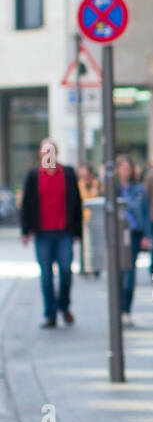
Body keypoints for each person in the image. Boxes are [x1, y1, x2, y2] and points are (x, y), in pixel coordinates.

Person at [20, 140, 82, 328]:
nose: (48, 155)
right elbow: (26, 205)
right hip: (43, 234)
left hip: (64, 232)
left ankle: (64, 306)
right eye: (45, 151)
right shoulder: (33, 176)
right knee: (46, 276)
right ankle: (50, 314)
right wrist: (25, 231)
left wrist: (78, 231)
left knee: (65, 271)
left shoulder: (68, 173)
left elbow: (77, 202)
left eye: (52, 151)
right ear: (40, 154)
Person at [116, 154, 150, 327]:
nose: (125, 171)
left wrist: (146, 235)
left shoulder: (139, 189)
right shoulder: (112, 188)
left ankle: (126, 309)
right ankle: (117, 309)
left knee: (129, 274)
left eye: (128, 168)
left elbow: (146, 213)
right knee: (118, 275)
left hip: (134, 234)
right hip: (117, 236)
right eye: (122, 168)